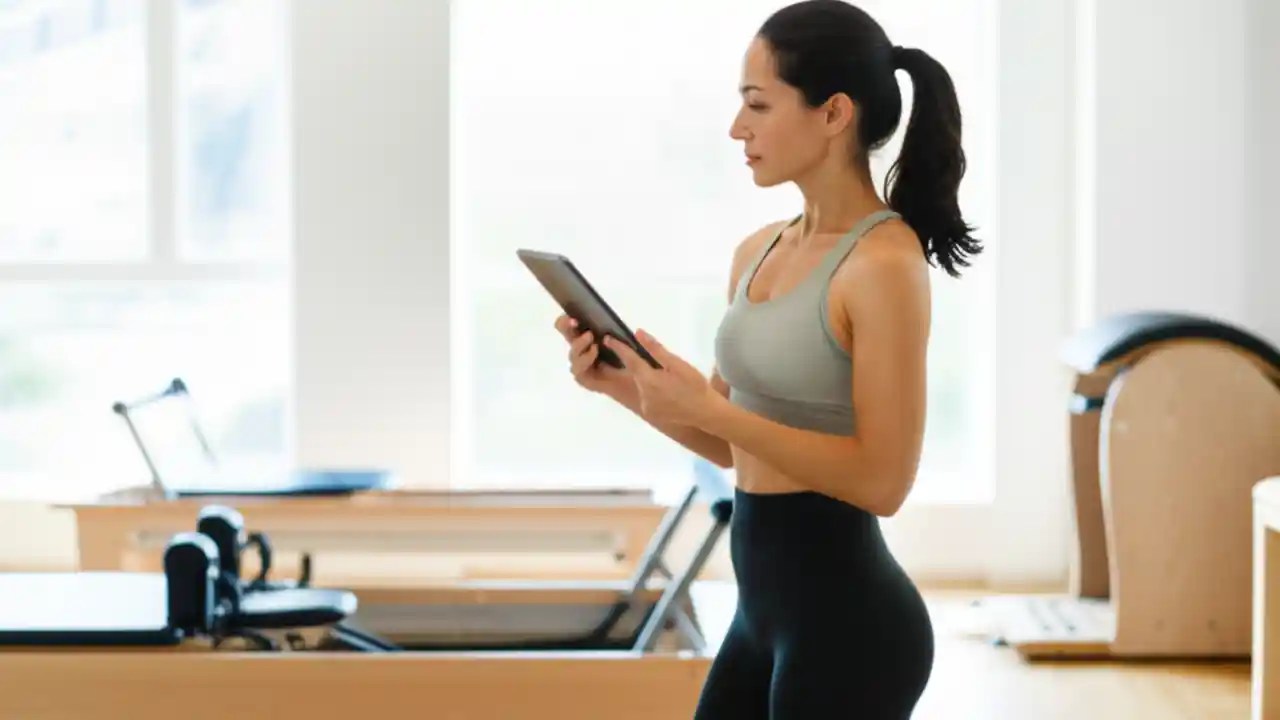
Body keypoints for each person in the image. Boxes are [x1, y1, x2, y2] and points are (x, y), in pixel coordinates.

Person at [552, 1, 980, 716]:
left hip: (852, 629)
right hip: (761, 617)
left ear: (834, 113)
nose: (736, 128)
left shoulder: (883, 265)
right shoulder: (758, 250)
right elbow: (729, 446)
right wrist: (624, 389)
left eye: (758, 104)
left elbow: (883, 482)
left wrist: (712, 407)